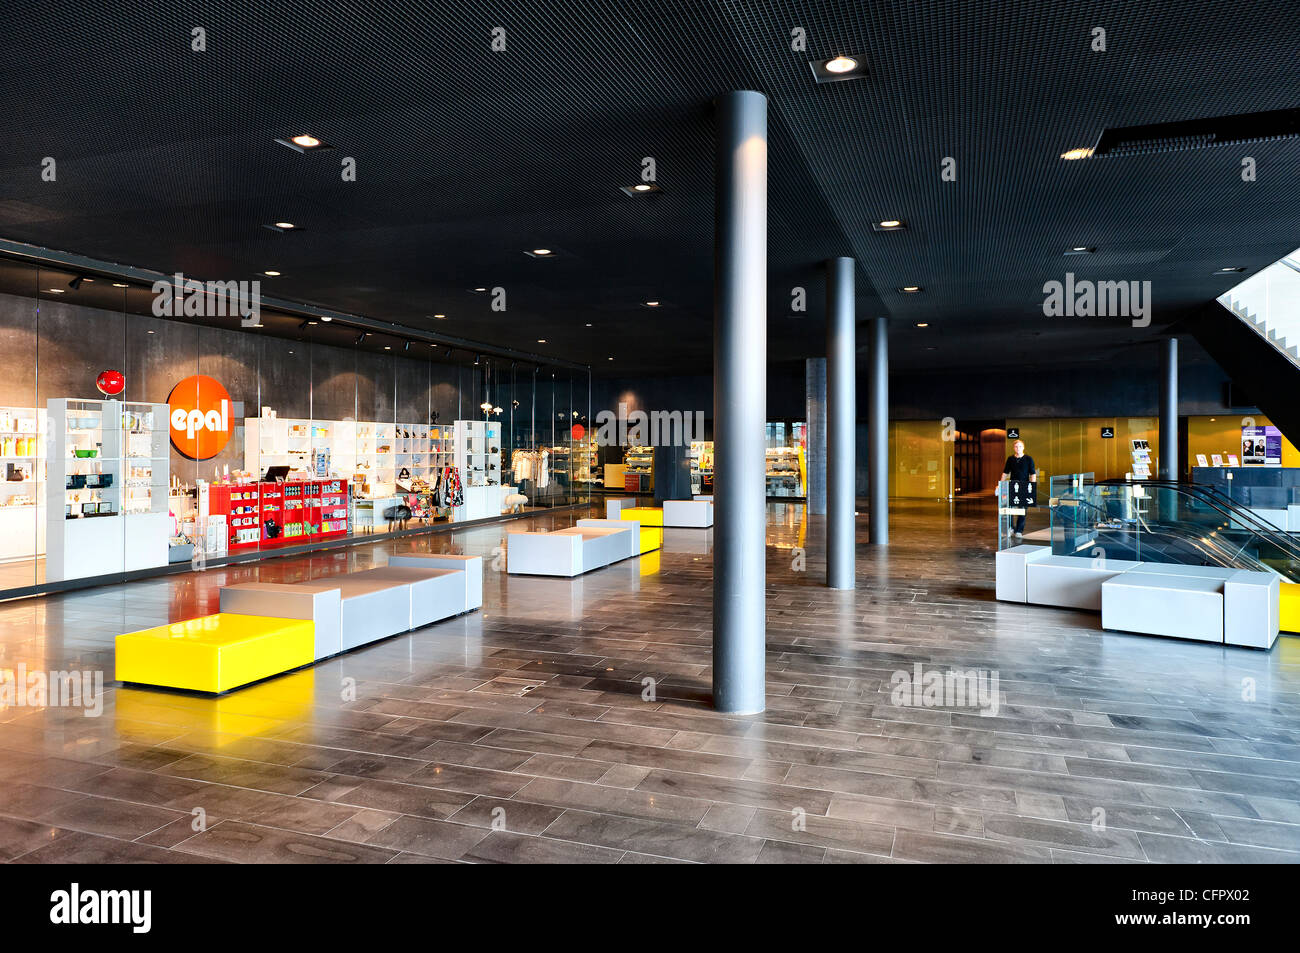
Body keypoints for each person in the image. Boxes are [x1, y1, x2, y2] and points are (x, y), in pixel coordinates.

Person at [1001, 439, 1037, 538]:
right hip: (1012, 486)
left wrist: (1032, 487)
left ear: (1023, 447)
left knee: (1022, 509)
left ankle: (1019, 531)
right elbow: (1005, 473)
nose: (1018, 448)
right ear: (1014, 448)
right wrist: (1000, 484)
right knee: (1010, 509)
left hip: (1025, 487)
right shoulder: (1010, 459)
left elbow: (1033, 474)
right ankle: (1011, 528)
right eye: (1016, 446)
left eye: (1020, 446)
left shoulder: (1028, 459)